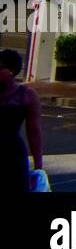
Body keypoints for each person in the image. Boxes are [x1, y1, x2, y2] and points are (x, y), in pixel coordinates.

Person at [0, 49, 43, 192]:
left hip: (13, 155)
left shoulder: (26, 96)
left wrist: (38, 168)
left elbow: (34, 132)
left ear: (11, 70)